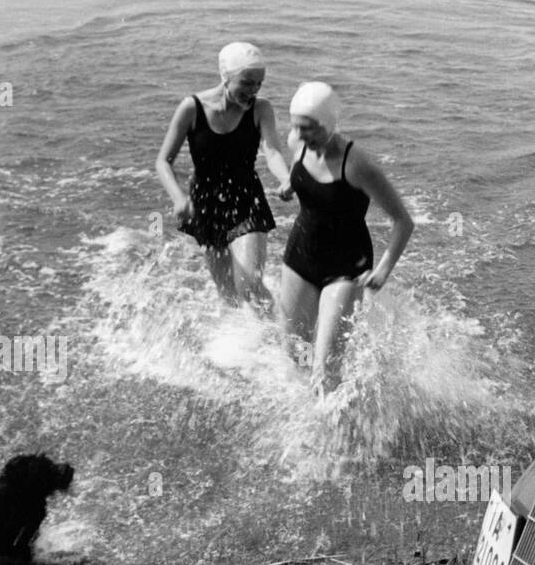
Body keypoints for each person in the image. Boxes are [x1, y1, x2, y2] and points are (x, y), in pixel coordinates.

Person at [278, 82, 414, 395]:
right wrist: (290, 184)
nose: (302, 136)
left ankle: (334, 433)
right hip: (300, 256)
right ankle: (308, 416)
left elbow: (403, 222)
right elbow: (303, 176)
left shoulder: (357, 165)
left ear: (328, 124)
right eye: (297, 128)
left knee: (325, 374)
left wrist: (382, 271)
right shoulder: (296, 143)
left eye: (310, 129)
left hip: (345, 265)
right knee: (297, 355)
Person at [156, 42, 291, 307]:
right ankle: (244, 345)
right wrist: (178, 198)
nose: (252, 91)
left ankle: (283, 341)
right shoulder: (192, 108)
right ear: (226, 76)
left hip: (247, 199)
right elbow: (163, 161)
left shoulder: (261, 109)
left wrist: (285, 178)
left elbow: (272, 151)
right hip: (205, 205)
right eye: (247, 83)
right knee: (229, 297)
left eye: (259, 84)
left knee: (250, 285)